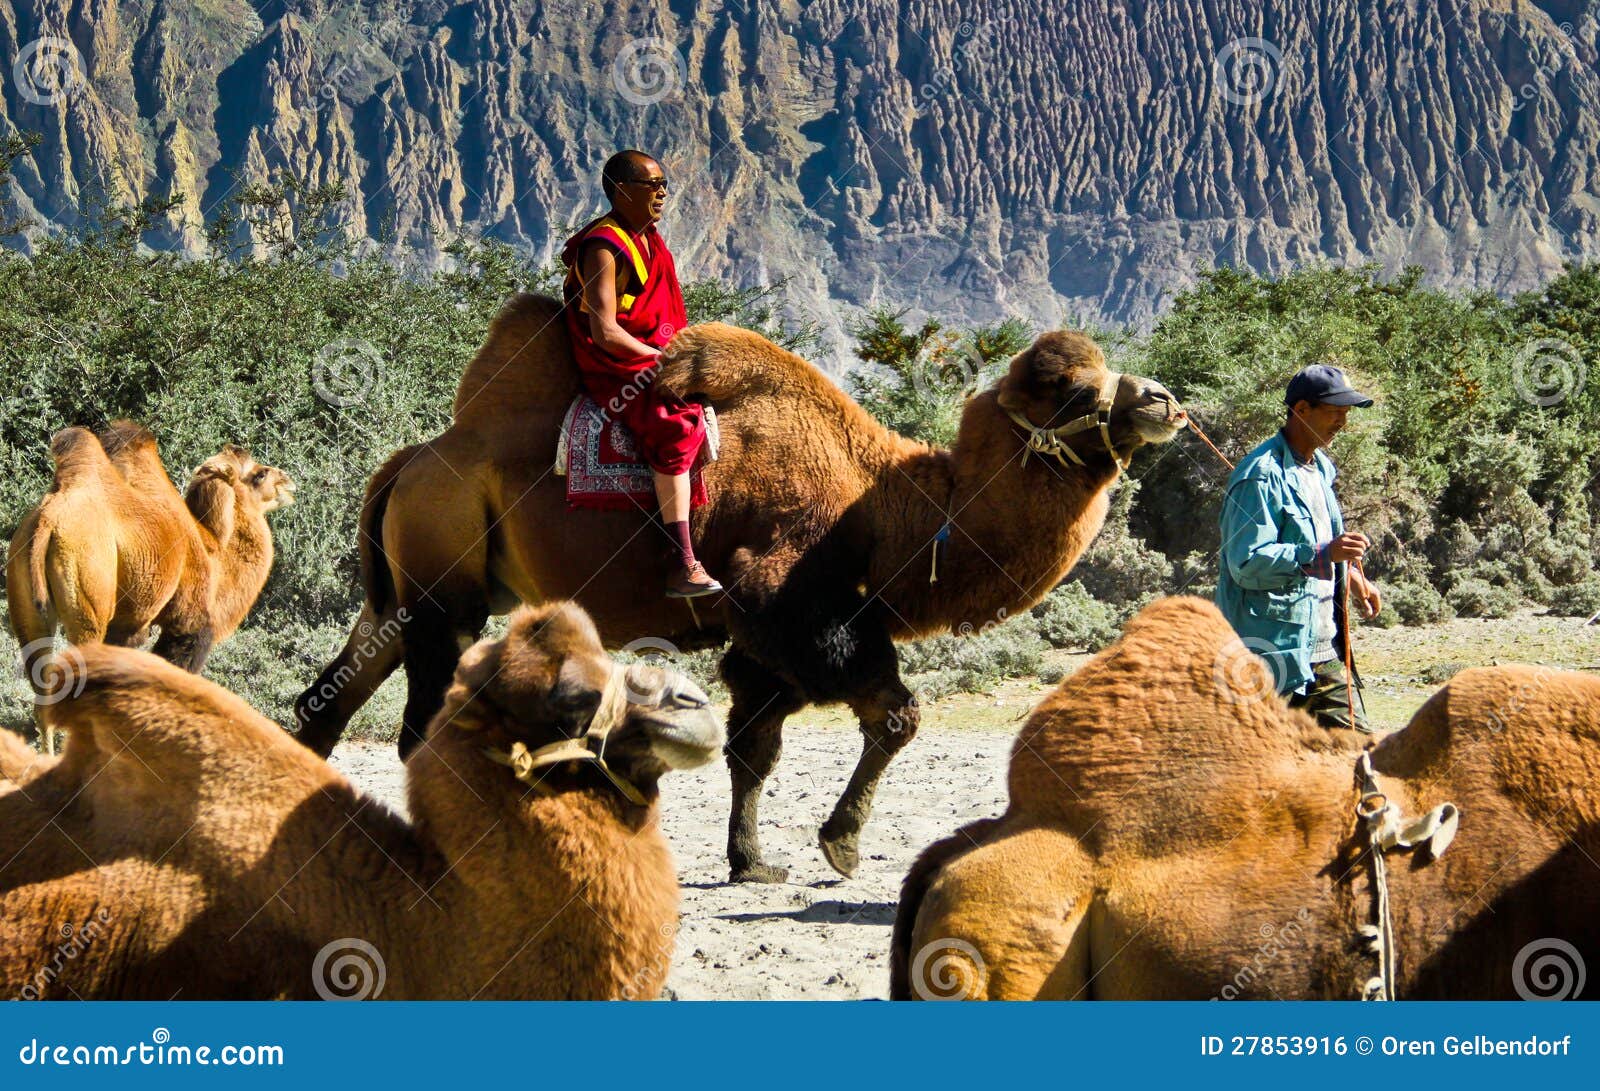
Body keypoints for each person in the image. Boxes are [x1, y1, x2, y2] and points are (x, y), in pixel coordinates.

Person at [561, 149, 722, 598]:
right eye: (652, 184)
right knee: (675, 425)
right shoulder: (603, 246)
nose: (662, 192)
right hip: (614, 361)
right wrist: (659, 360)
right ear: (621, 190)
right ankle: (682, 562)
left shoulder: (649, 238)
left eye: (664, 184)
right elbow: (605, 331)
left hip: (652, 348)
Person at [1215, 364, 1382, 731]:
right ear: (1302, 410)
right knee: (1259, 760)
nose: (1343, 423)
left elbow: (1325, 543)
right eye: (1335, 412)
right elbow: (1246, 563)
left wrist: (1353, 579)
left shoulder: (1320, 468)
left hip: (1323, 649)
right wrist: (1323, 555)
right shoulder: (1260, 476)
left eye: (1346, 413)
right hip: (1270, 657)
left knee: (1359, 750)